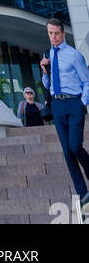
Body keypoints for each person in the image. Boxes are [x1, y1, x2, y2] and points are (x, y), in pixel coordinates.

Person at [40, 16, 89, 217]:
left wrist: (83, 102)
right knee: (67, 153)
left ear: (63, 33)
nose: (54, 37)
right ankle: (83, 192)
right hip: (57, 105)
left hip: (74, 102)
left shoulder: (74, 55)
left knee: (75, 146)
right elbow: (47, 85)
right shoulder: (47, 54)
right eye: (50, 33)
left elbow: (87, 81)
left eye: (57, 33)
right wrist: (44, 70)